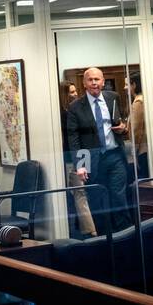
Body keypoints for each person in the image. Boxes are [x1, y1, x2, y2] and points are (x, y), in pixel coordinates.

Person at [65, 67, 131, 233]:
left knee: (119, 197)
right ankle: (104, 239)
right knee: (97, 200)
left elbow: (121, 124)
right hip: (93, 160)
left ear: (102, 81)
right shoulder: (75, 107)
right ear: (84, 83)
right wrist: (80, 165)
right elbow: (74, 138)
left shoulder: (113, 97)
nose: (94, 83)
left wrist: (123, 129)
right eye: (90, 80)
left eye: (97, 79)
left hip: (115, 156)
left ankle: (125, 236)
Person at [59, 80, 95, 237]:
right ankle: (90, 230)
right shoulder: (64, 114)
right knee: (80, 192)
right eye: (71, 92)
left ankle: (87, 228)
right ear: (64, 94)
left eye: (75, 91)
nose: (75, 94)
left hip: (83, 154)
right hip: (71, 157)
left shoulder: (74, 110)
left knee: (83, 191)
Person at [127, 72, 149, 180]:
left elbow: (136, 130)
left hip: (142, 150)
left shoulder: (138, 102)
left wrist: (134, 151)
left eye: (127, 84)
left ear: (134, 85)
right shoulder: (145, 99)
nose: (125, 87)